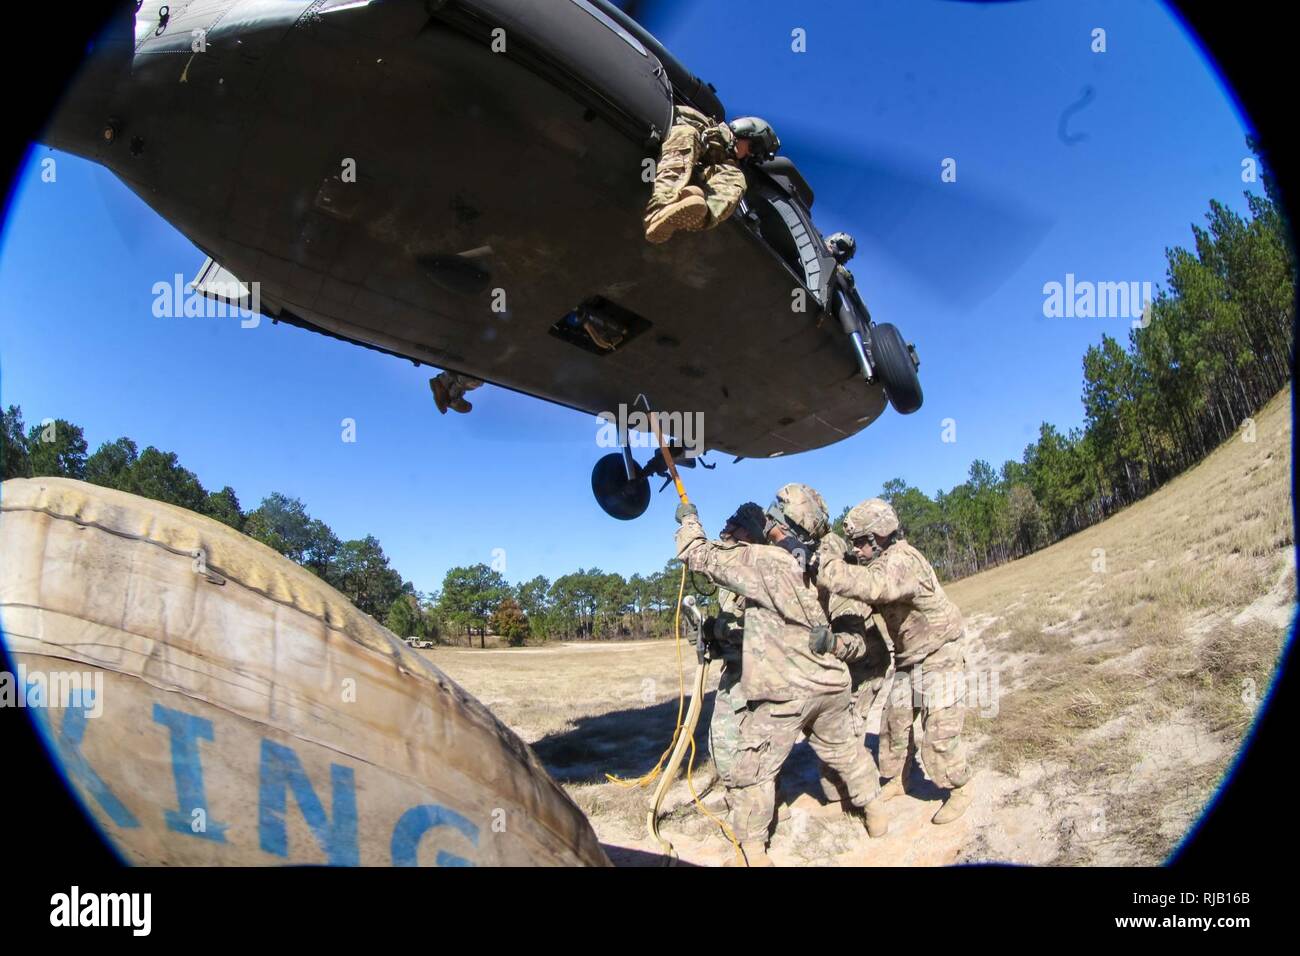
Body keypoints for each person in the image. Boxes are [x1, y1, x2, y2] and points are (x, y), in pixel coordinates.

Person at [675, 483, 881, 866]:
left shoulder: (766, 562)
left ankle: (753, 851)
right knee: (848, 752)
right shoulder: (825, 565)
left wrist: (688, 520)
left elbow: (697, 554)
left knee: (752, 769)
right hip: (831, 684)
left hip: (786, 692)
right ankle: (876, 813)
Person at [816, 498, 975, 827]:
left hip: (939, 652)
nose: (857, 550)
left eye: (861, 542)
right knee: (893, 724)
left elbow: (874, 586)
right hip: (910, 657)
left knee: (940, 732)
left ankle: (960, 788)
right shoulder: (882, 560)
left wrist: (828, 567)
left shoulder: (901, 560)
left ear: (878, 537)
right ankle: (899, 779)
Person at [644, 109, 779, 244]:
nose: (748, 155)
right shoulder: (702, 124)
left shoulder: (727, 169)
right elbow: (671, 114)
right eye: (753, 148)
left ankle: (695, 214)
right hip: (670, 154)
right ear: (744, 129)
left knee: (736, 177)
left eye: (754, 155)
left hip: (694, 181)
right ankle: (661, 207)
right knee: (687, 133)